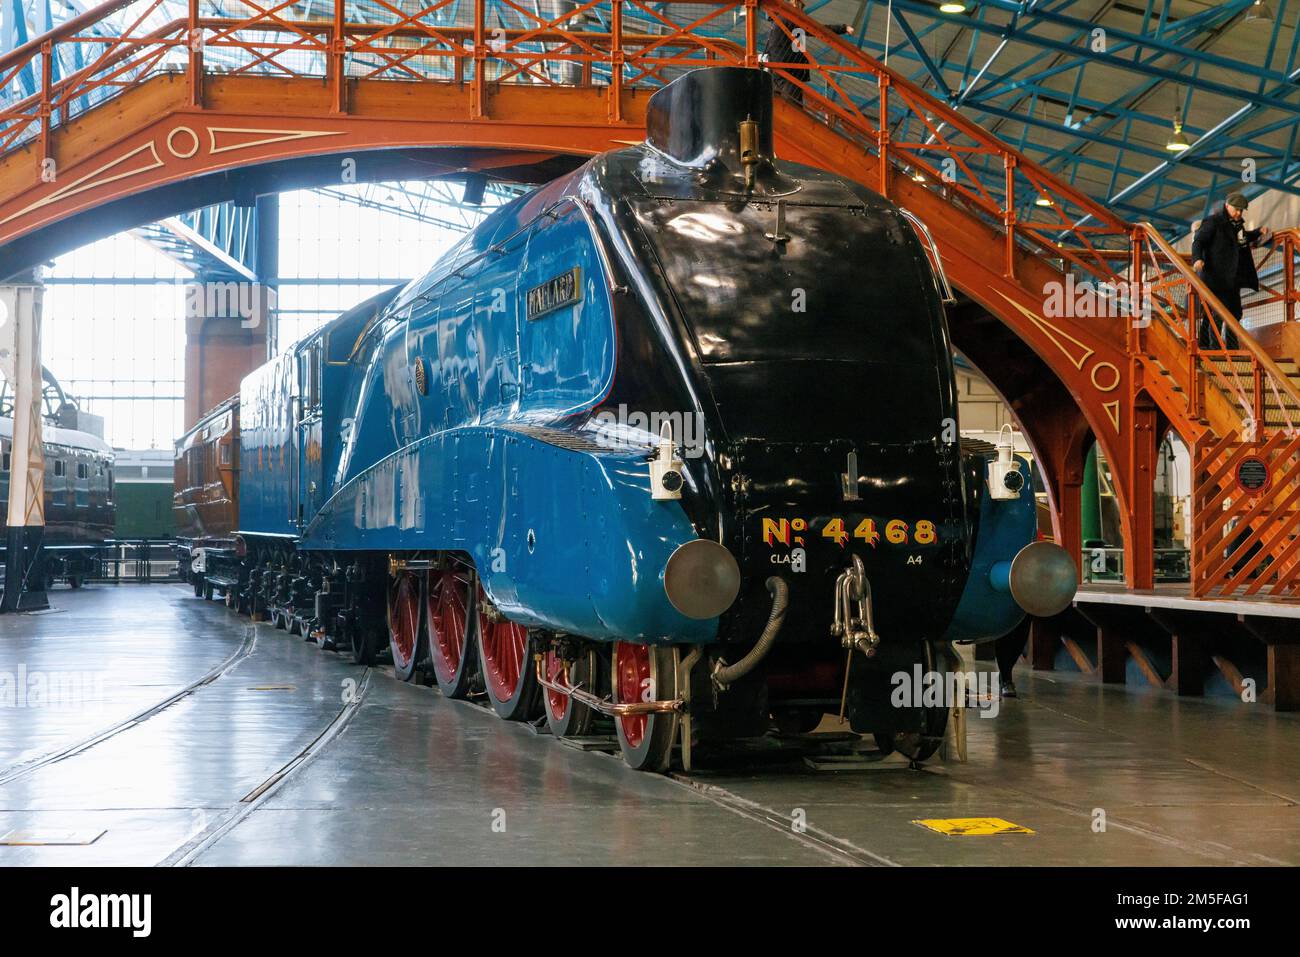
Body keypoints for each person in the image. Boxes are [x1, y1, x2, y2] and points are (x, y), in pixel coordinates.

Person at [1191, 192, 1272, 350]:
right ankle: (1215, 349)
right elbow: (1199, 241)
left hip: (1233, 278)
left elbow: (1242, 238)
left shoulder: (1238, 225)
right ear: (1227, 206)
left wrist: (1257, 232)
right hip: (1215, 277)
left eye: (1241, 210)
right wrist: (1197, 259)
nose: (1239, 213)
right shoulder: (1213, 222)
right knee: (1219, 312)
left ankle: (1217, 346)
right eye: (1236, 209)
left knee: (1233, 312)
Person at [762, 0, 853, 105]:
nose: (802, 11)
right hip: (789, 72)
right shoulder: (789, 19)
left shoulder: (779, 21)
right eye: (801, 6)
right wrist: (843, 28)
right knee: (793, 108)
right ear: (795, 4)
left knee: (780, 106)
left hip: (778, 71)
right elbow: (818, 29)